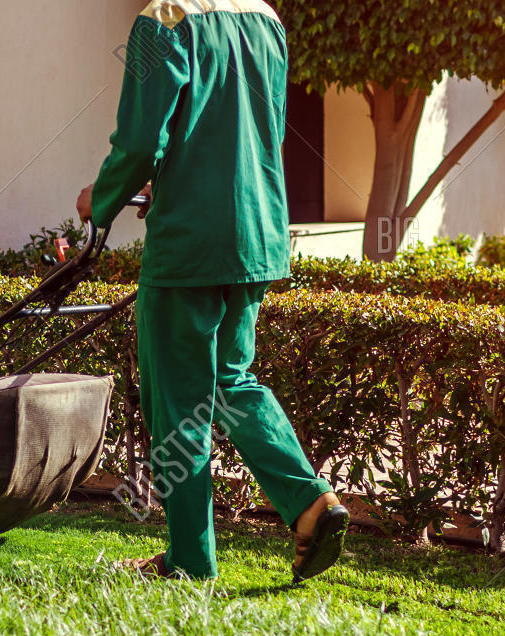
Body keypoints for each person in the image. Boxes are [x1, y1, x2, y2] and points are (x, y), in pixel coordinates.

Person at [77, 0, 347, 583]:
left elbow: (140, 143)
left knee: (179, 404)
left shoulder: (163, 20)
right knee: (231, 383)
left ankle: (190, 562)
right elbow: (257, 131)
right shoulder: (266, 19)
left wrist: (100, 197)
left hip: (188, 245)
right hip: (255, 235)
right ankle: (310, 503)